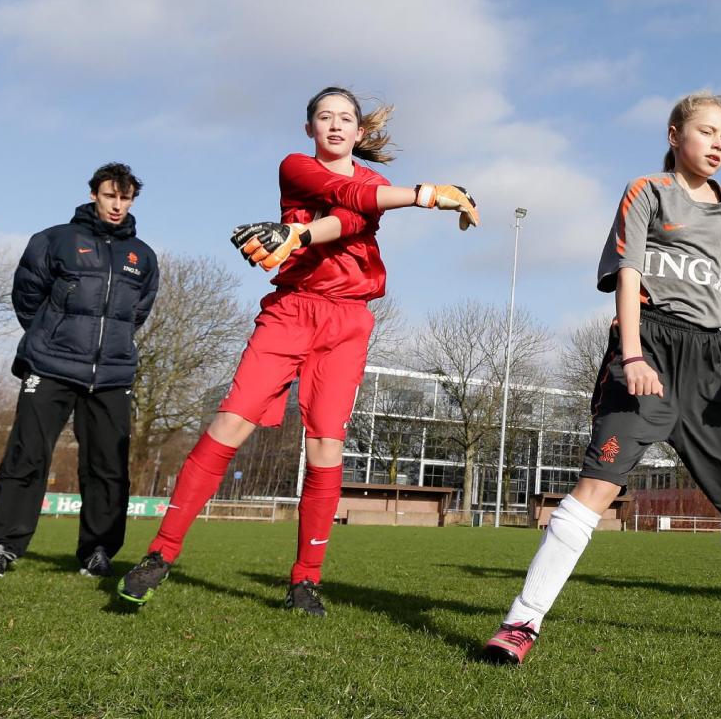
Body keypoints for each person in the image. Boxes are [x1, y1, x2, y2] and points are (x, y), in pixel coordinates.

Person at [482, 91, 721, 665]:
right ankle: (521, 622)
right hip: (650, 345)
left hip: (710, 360)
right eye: (707, 132)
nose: (717, 144)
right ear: (674, 135)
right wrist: (633, 356)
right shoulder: (648, 191)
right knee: (598, 484)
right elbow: (628, 272)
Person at [117, 87, 478, 615]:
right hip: (291, 311)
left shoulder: (375, 185)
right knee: (230, 423)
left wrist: (300, 234)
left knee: (326, 446)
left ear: (359, 131)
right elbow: (342, 194)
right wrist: (426, 194)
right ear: (309, 128)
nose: (335, 125)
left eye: (345, 118)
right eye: (324, 117)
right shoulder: (295, 166)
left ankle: (305, 581)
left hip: (347, 320)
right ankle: (160, 554)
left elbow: (353, 216)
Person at [0, 163, 159, 578]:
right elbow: (27, 297)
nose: (117, 205)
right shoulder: (54, 240)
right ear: (94, 194)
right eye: (109, 195)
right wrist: (52, 336)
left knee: (108, 468)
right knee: (27, 457)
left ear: (133, 201)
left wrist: (108, 345)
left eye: (125, 198)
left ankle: (98, 551)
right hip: (50, 365)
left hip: (112, 375)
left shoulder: (143, 256)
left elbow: (137, 313)